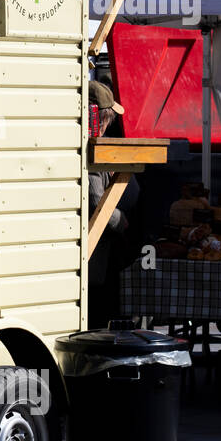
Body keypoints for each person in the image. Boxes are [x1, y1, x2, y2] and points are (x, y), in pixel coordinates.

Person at [87, 81, 140, 328]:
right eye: (108, 117)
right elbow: (96, 199)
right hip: (98, 252)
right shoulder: (91, 149)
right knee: (100, 313)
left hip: (105, 250)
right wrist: (121, 221)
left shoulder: (97, 144)